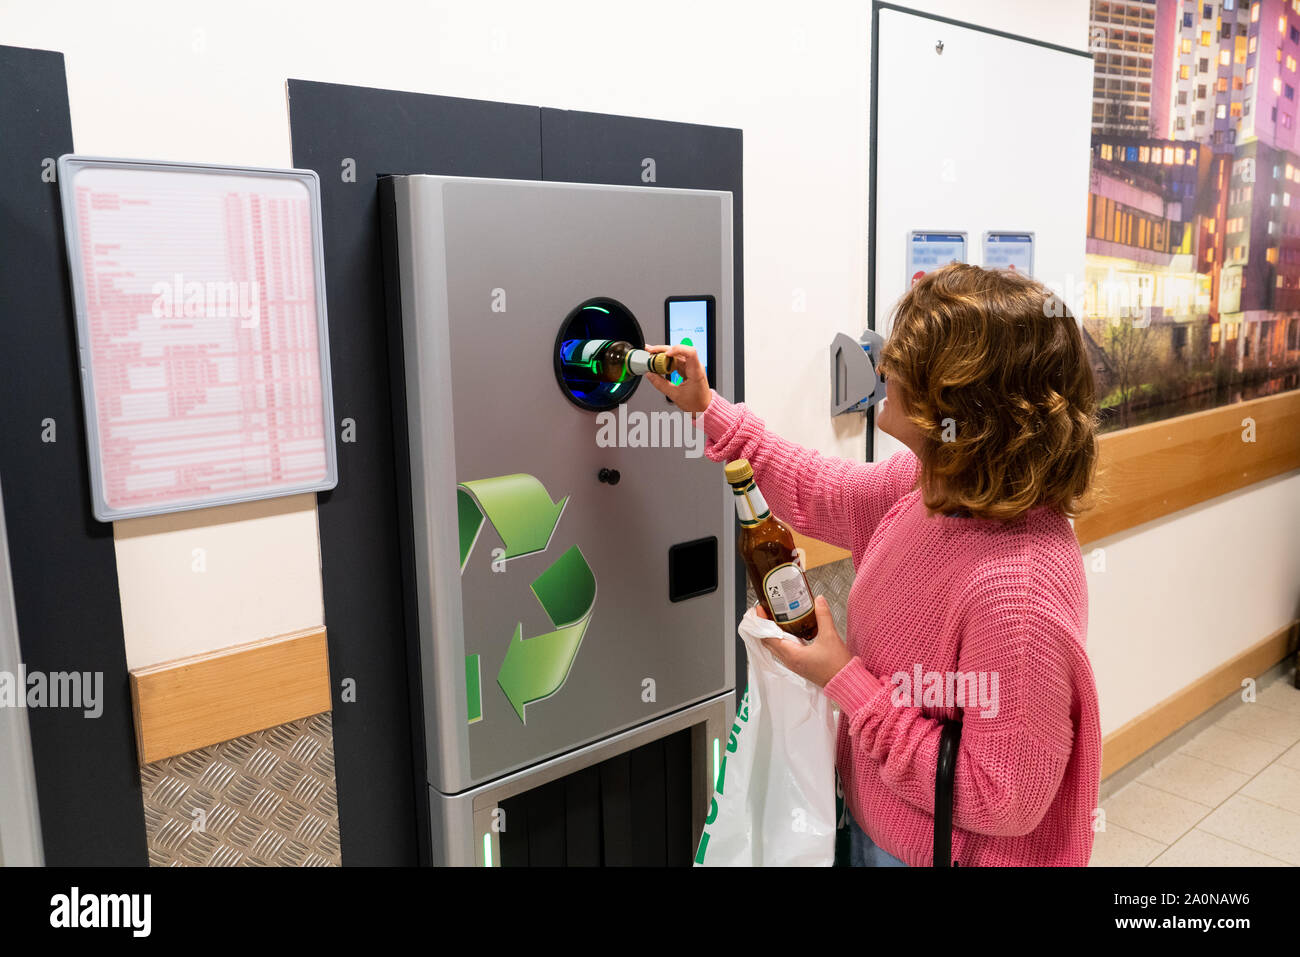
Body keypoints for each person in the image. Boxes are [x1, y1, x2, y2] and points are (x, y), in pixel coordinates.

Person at [645, 262, 1104, 867]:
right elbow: (818, 490)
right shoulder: (930, 486)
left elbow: (1004, 798)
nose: (883, 368)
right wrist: (707, 406)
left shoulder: (1016, 595)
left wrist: (847, 682)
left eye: (905, 362)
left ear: (961, 404)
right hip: (877, 828)